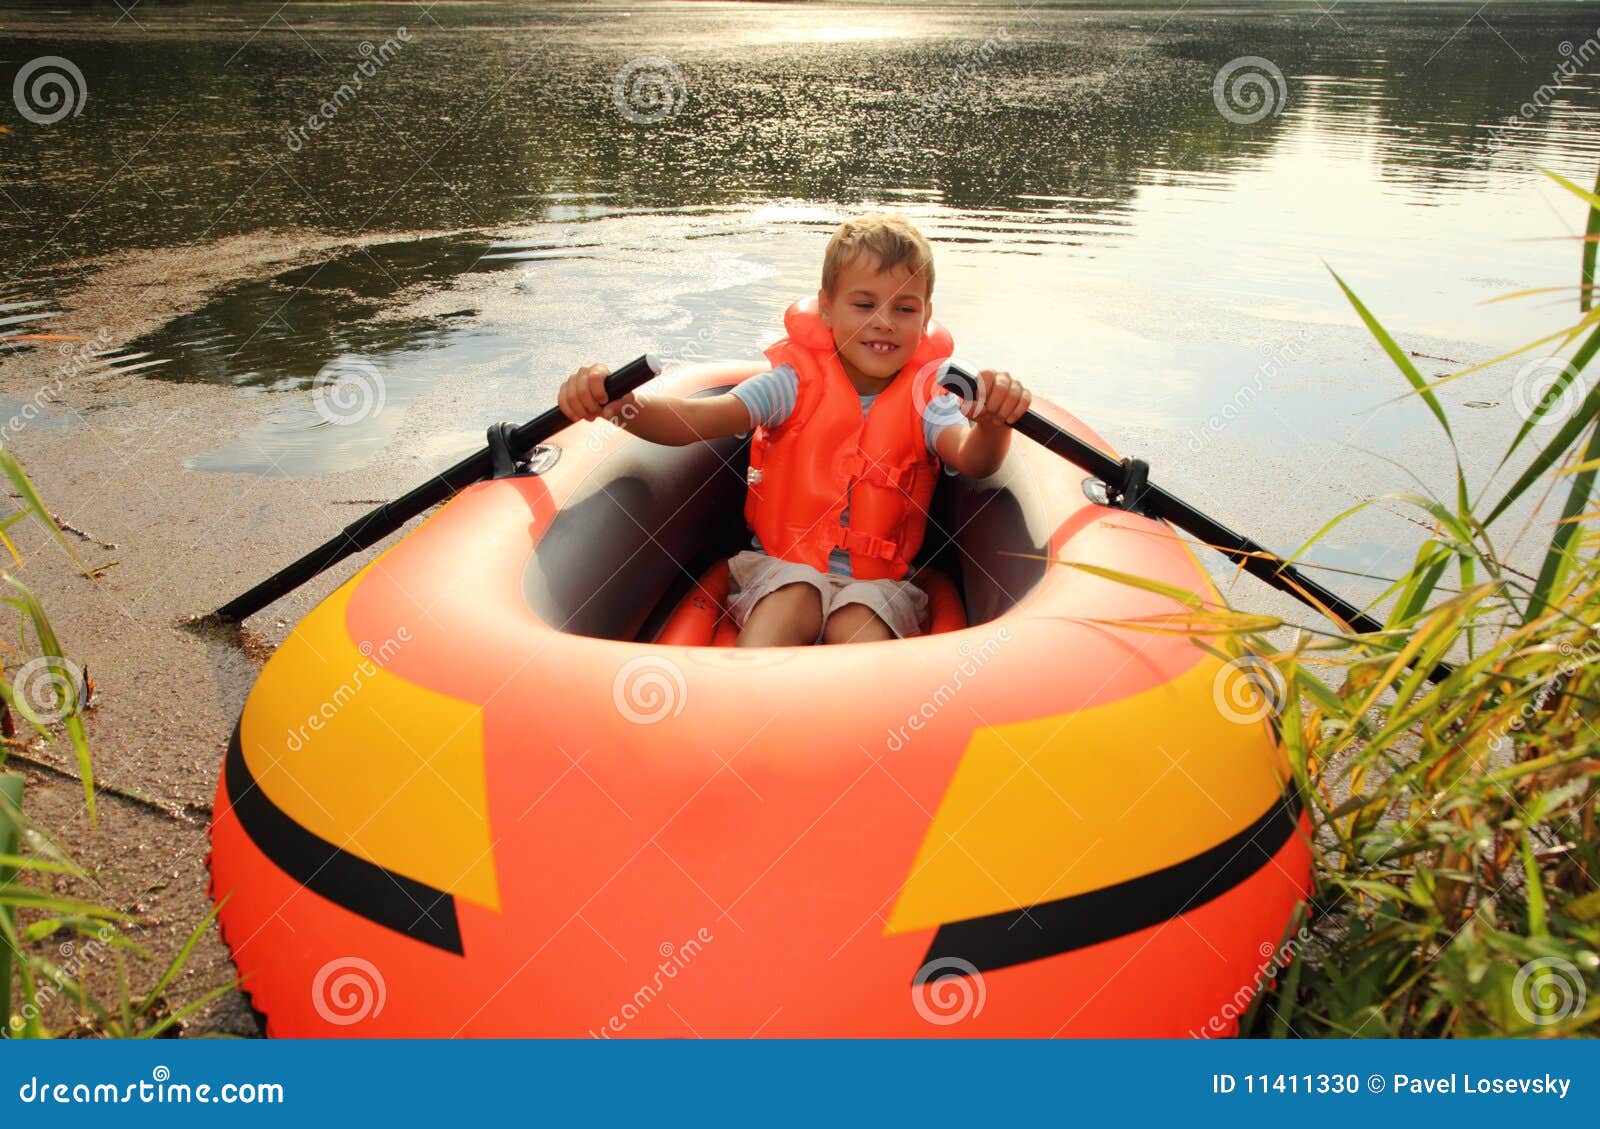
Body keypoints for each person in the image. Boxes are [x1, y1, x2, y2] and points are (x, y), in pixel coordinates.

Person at [557, 212, 1031, 646]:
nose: (884, 323)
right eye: (864, 304)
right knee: (796, 596)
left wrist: (994, 423)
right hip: (782, 569)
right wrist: (621, 406)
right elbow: (695, 422)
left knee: (856, 623)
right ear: (827, 308)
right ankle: (739, 712)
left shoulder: (930, 401)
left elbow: (975, 459)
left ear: (926, 316)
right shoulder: (790, 386)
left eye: (905, 309)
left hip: (878, 585)